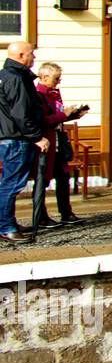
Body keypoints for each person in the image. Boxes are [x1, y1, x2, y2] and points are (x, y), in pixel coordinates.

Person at [0, 41, 50, 242]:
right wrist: (37, 137)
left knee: (8, 183)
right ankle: (6, 226)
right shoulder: (17, 79)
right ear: (21, 55)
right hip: (16, 139)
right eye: (31, 54)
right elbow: (21, 113)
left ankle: (6, 221)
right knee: (11, 185)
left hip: (7, 137)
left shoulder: (4, 76)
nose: (34, 57)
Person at [33, 62, 88, 228]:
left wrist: (72, 115)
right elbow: (42, 121)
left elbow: (58, 117)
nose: (59, 82)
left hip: (59, 142)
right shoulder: (38, 95)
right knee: (42, 180)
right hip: (46, 143)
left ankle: (66, 213)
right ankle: (41, 217)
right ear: (44, 77)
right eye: (56, 78)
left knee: (63, 177)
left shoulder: (54, 93)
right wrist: (64, 115)